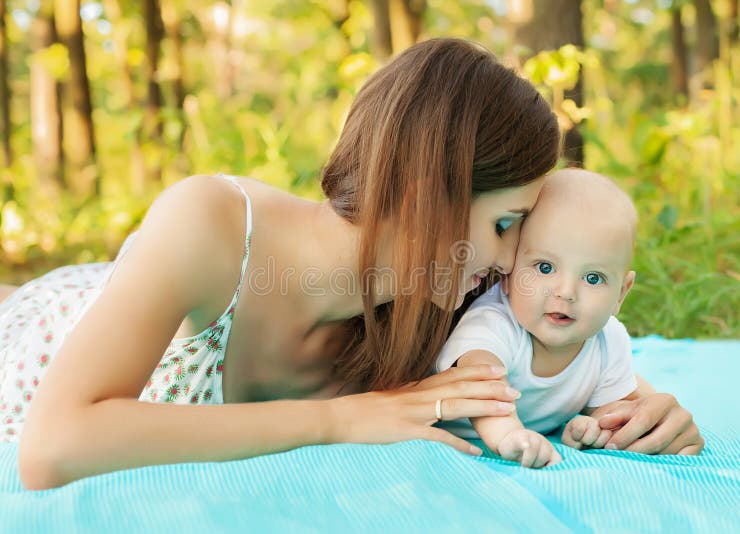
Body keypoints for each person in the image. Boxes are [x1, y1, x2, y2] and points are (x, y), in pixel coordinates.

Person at [0, 38, 700, 490]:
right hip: (44, 327)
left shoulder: (439, 303)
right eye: (505, 224)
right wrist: (334, 419)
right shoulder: (209, 224)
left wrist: (638, 410)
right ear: (430, 196)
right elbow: (53, 447)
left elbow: (552, 363)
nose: (510, 259)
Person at [434, 169, 703, 468]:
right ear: (507, 277)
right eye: (545, 268)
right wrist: (508, 435)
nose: (566, 292)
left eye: (592, 277)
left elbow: (612, 406)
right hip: (466, 430)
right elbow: (482, 382)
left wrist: (599, 428)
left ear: (621, 294)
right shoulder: (493, 321)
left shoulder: (608, 340)